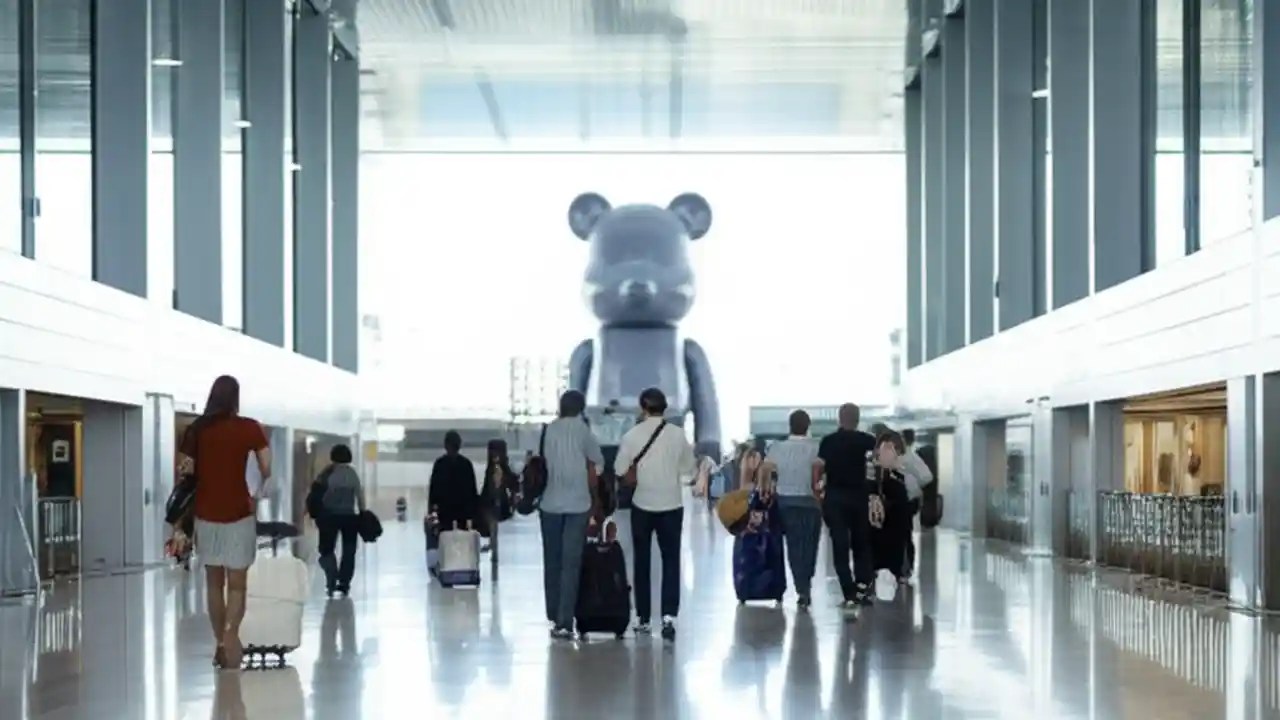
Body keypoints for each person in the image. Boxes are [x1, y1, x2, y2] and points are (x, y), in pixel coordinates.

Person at [178, 375, 272, 669]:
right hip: (238, 512)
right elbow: (266, 467)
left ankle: (219, 641)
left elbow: (184, 474)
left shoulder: (196, 430)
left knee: (214, 584)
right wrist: (256, 491)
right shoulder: (249, 428)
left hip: (205, 513)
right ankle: (232, 634)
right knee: (237, 586)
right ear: (236, 398)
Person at [614, 387, 698, 641]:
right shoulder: (677, 435)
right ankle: (669, 617)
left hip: (642, 505)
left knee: (642, 561)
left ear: (643, 408)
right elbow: (688, 470)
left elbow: (619, 469)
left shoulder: (632, 435)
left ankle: (642, 618)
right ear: (665, 409)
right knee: (671, 561)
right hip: (671, 505)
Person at [538, 390, 605, 640]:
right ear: (581, 408)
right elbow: (598, 462)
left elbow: (543, 461)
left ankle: (554, 614)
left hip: (550, 504)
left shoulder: (548, 430)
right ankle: (566, 621)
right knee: (571, 563)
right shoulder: (583, 430)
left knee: (552, 562)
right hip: (578, 505)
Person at [757, 410, 824, 609]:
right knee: (810, 545)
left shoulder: (777, 448)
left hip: (785, 502)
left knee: (793, 546)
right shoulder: (817, 447)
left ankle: (801, 588)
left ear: (790, 425)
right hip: (811, 503)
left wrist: (765, 492)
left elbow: (765, 470)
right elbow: (821, 473)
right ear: (808, 426)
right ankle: (806, 584)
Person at [816, 403, 877, 611]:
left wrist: (818, 494)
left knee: (840, 547)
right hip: (860, 497)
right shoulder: (868, 441)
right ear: (858, 419)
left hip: (835, 498)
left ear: (839, 419)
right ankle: (862, 589)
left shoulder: (828, 442)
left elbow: (819, 469)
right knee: (862, 545)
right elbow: (875, 468)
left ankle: (848, 592)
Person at [316, 444, 366, 597]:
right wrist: (363, 512)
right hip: (350, 517)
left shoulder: (328, 474)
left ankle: (331, 576)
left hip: (330, 517)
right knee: (349, 551)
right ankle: (344, 583)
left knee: (327, 549)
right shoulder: (352, 474)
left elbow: (321, 496)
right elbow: (360, 495)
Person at [870, 430, 913, 584]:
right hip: (896, 506)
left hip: (884, 506)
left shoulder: (874, 466)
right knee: (899, 538)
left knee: (879, 538)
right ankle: (899, 571)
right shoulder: (904, 466)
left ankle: (877, 568)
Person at [428, 431, 480, 533]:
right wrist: (473, 512)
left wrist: (432, 510)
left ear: (445, 445)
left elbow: (433, 490)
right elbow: (472, 490)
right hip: (462, 510)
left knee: (445, 537)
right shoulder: (466, 464)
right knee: (462, 537)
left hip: (445, 510)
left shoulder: (440, 464)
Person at [899, 429, 934, 579]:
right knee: (905, 533)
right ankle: (905, 567)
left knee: (902, 533)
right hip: (909, 500)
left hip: (903, 500)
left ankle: (903, 566)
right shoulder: (912, 457)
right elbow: (927, 478)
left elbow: (926, 477)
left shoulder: (907, 457)